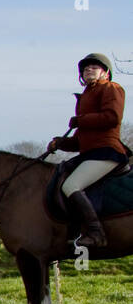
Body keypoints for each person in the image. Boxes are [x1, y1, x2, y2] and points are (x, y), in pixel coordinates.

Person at [45, 53, 126, 248]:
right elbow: (81, 141)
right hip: (90, 154)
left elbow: (112, 117)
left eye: (94, 67)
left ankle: (96, 233)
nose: (88, 69)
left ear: (105, 73)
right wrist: (61, 143)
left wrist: (80, 120)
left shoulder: (111, 88)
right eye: (85, 68)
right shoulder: (87, 96)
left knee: (71, 185)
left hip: (107, 152)